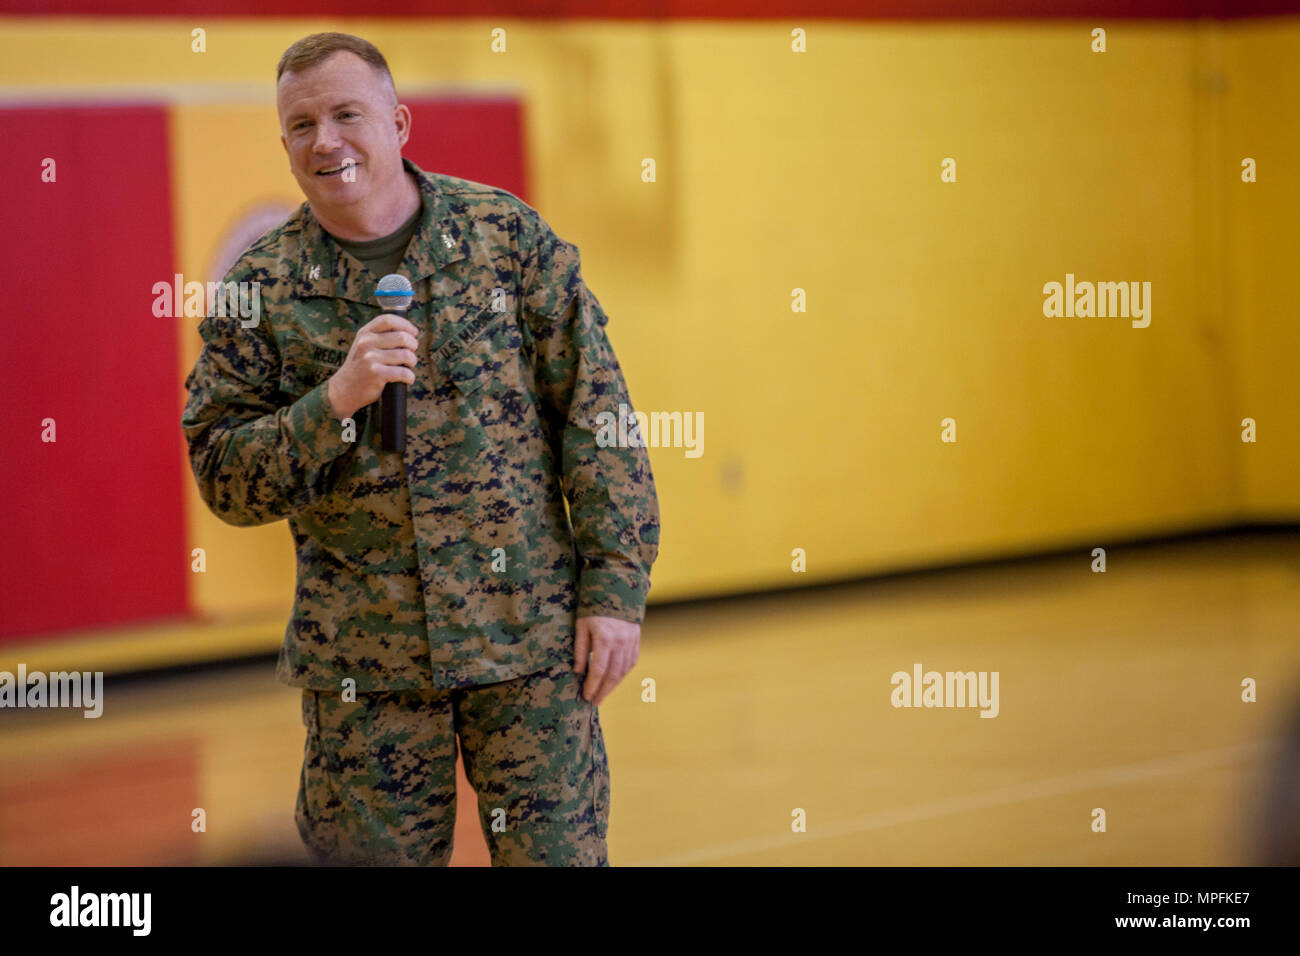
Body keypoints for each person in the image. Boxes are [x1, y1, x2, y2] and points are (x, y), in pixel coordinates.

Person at [181, 32, 659, 866]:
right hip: (366, 674)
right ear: (285, 145)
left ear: (398, 123)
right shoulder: (258, 291)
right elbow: (223, 476)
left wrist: (615, 589)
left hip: (528, 650)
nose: (323, 140)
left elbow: (598, 417)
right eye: (300, 125)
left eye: (344, 114)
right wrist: (332, 402)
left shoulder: (505, 240)